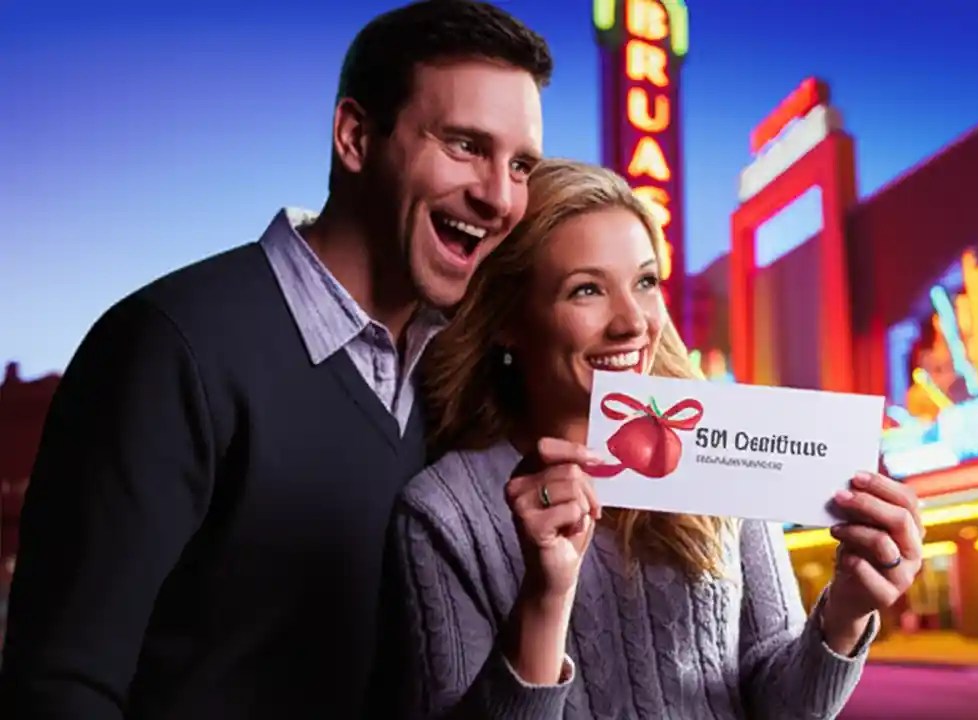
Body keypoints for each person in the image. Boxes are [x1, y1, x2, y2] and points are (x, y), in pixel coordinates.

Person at [0, 2, 550, 718]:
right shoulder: (172, 345)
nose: (499, 196)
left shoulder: (451, 376)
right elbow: (62, 685)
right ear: (355, 136)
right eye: (465, 145)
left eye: (521, 165)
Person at [395, 159, 925, 719]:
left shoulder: (721, 450)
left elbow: (781, 706)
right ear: (508, 320)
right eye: (586, 290)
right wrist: (544, 601)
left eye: (645, 282)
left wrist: (846, 613)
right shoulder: (441, 514)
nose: (632, 323)